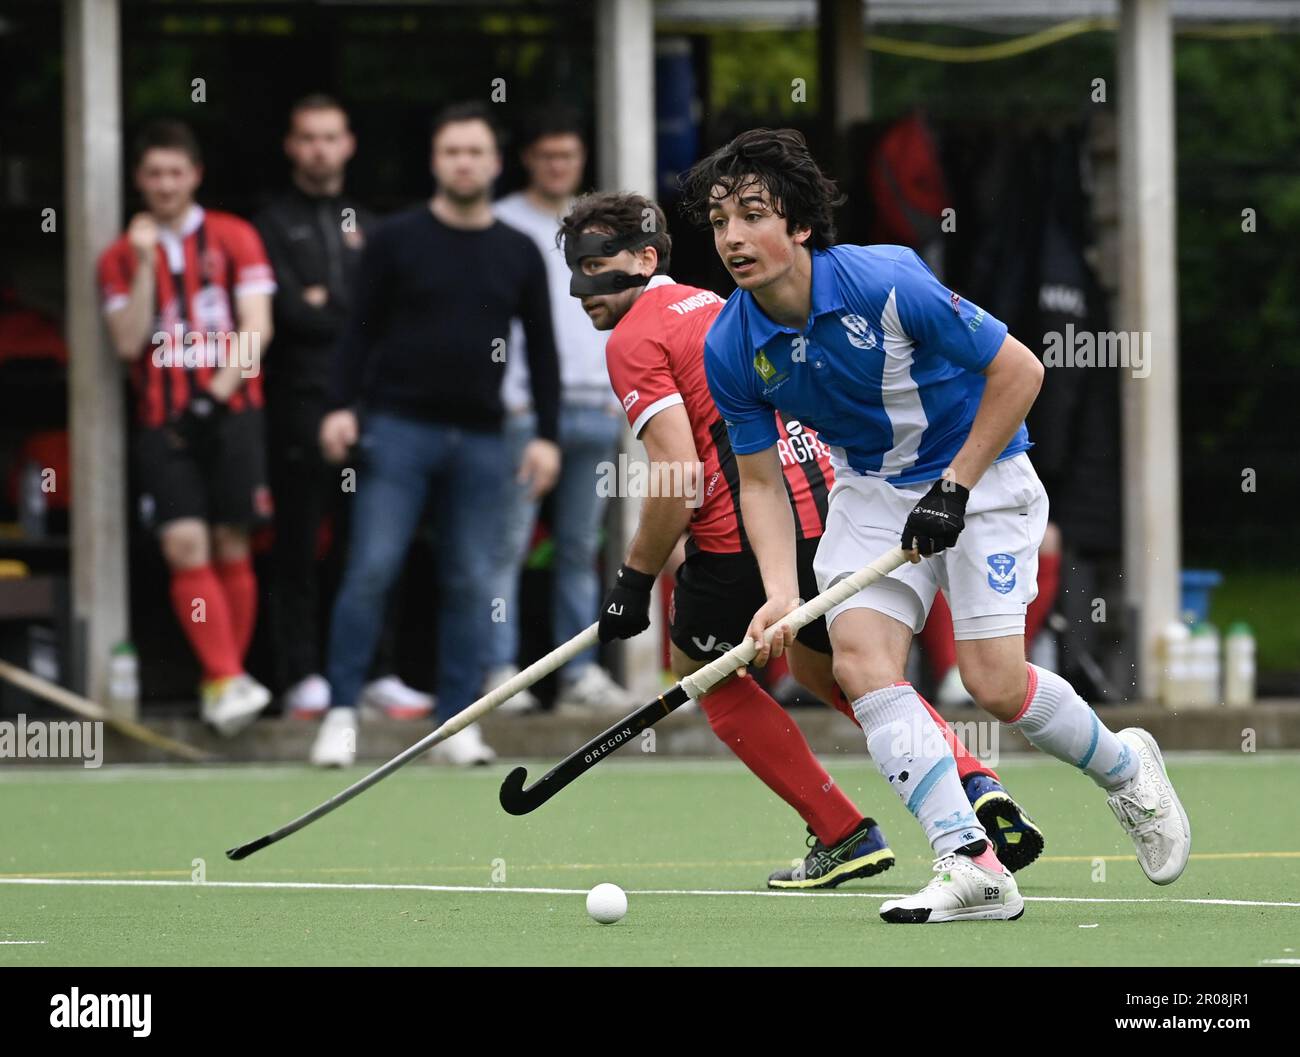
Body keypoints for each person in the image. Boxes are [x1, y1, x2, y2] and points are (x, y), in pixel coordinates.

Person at [686, 128, 1191, 923]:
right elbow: (758, 480)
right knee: (860, 663)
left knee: (994, 682)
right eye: (720, 222)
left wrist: (954, 487)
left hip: (982, 476)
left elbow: (1021, 369)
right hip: (871, 490)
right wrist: (780, 592)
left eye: (753, 214)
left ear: (801, 226)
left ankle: (1127, 768)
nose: (734, 238)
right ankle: (971, 861)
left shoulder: (887, 280)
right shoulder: (731, 344)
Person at [560, 191, 1043, 888]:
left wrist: (634, 582)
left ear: (644, 259)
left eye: (597, 266)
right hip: (820, 510)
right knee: (829, 667)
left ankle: (840, 830)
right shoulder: (713, 305)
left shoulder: (635, 339)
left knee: (707, 669)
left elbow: (677, 473)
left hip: (741, 538)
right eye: (575, 270)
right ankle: (969, 779)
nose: (584, 289)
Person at [309, 102, 561, 768]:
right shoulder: (395, 240)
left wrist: (548, 435)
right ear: (435, 161)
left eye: (475, 152)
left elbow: (543, 349)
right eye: (452, 151)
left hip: (487, 437)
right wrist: (340, 405)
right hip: (397, 430)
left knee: (473, 579)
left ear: (495, 162)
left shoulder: (519, 249)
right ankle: (340, 711)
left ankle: (458, 722)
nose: (464, 162)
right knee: (371, 566)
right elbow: (357, 331)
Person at [255, 93, 432, 722]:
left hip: (372, 407)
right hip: (298, 407)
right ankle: (301, 674)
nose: (319, 149)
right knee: (299, 546)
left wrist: (331, 306)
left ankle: (378, 673)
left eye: (330, 137)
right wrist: (342, 312)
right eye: (307, 138)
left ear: (349, 143)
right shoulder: (270, 219)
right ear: (290, 146)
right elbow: (288, 314)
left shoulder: (375, 223)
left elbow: (387, 316)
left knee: (378, 547)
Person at [98, 119, 276, 736]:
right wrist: (146, 263)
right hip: (161, 421)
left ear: (195, 175)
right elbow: (126, 342)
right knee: (183, 546)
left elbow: (258, 328)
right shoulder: (119, 255)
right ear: (139, 181)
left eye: (176, 172)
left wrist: (211, 398)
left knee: (231, 543)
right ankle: (227, 678)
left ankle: (222, 680)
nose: (166, 184)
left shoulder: (235, 236)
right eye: (154, 174)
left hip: (230, 412)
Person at [485, 107, 631, 715]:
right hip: (522, 411)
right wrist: (506, 393)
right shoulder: (500, 223)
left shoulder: (607, 231)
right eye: (546, 156)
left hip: (597, 406)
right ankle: (498, 670)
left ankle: (579, 676)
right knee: (506, 545)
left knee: (580, 547)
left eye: (567, 156)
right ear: (527, 160)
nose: (556, 166)